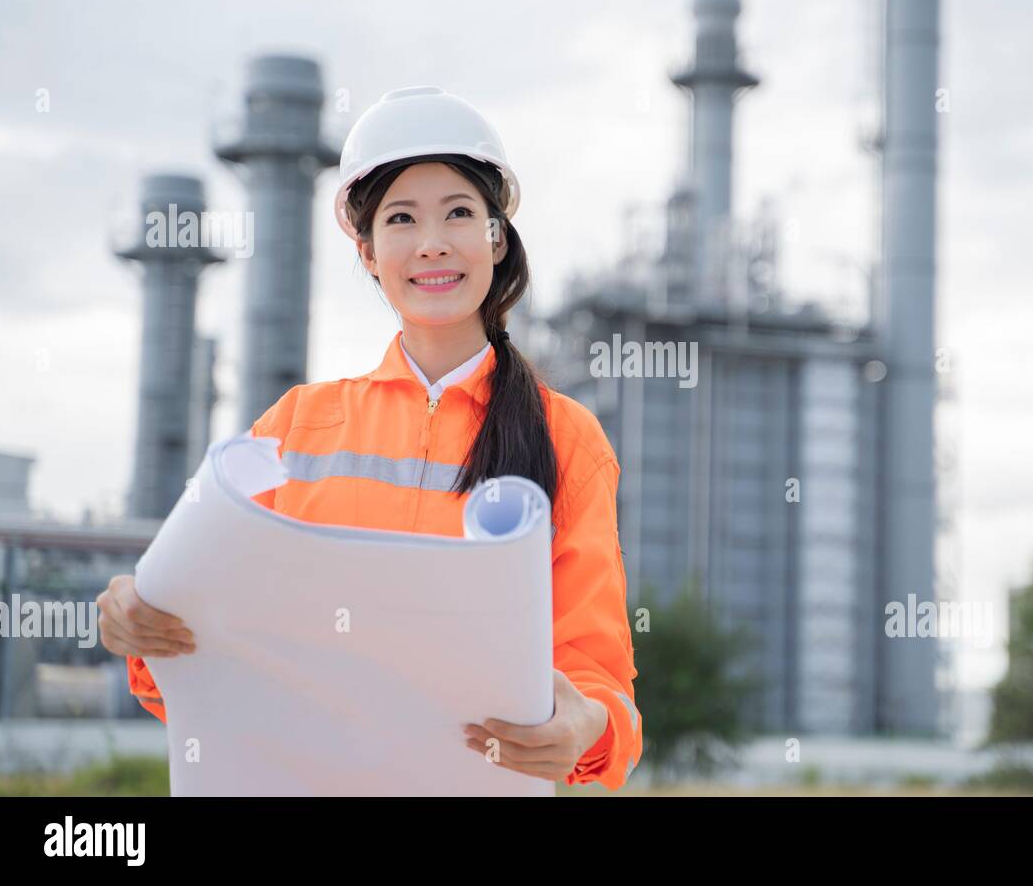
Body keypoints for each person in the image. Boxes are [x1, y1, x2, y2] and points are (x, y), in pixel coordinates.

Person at [96, 86, 642, 790]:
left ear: (496, 237)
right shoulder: (293, 427)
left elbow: (598, 677)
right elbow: (207, 646)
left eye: (459, 213)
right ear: (369, 250)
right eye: (402, 219)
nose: (433, 242)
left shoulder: (565, 437)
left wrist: (587, 725)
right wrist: (140, 625)